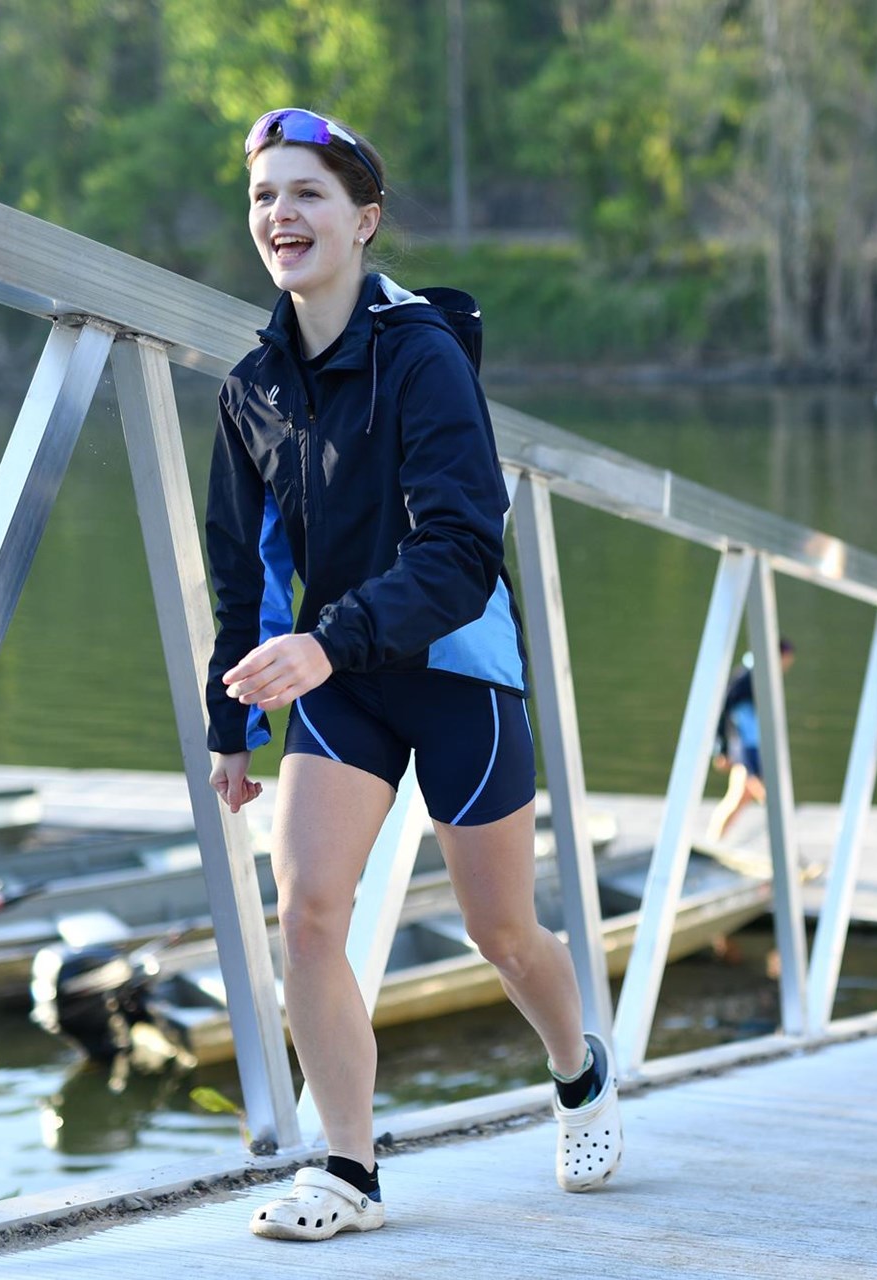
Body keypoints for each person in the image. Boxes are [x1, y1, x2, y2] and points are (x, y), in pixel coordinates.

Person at [204, 108, 621, 1242]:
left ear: (365, 220)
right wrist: (229, 722)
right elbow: (240, 564)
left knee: (501, 929)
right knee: (307, 911)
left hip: (454, 666)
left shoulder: (423, 355)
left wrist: (329, 640)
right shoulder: (253, 386)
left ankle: (579, 1069)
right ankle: (347, 1171)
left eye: (308, 193)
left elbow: (460, 550)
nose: (281, 215)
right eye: (264, 196)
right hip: (339, 677)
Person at [705, 638, 794, 842]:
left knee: (740, 797)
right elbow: (723, 711)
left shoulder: (761, 677)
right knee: (755, 794)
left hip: (751, 745)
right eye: (786, 660)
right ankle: (714, 840)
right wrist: (722, 749)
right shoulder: (746, 678)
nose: (786, 666)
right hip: (745, 747)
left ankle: (715, 839)